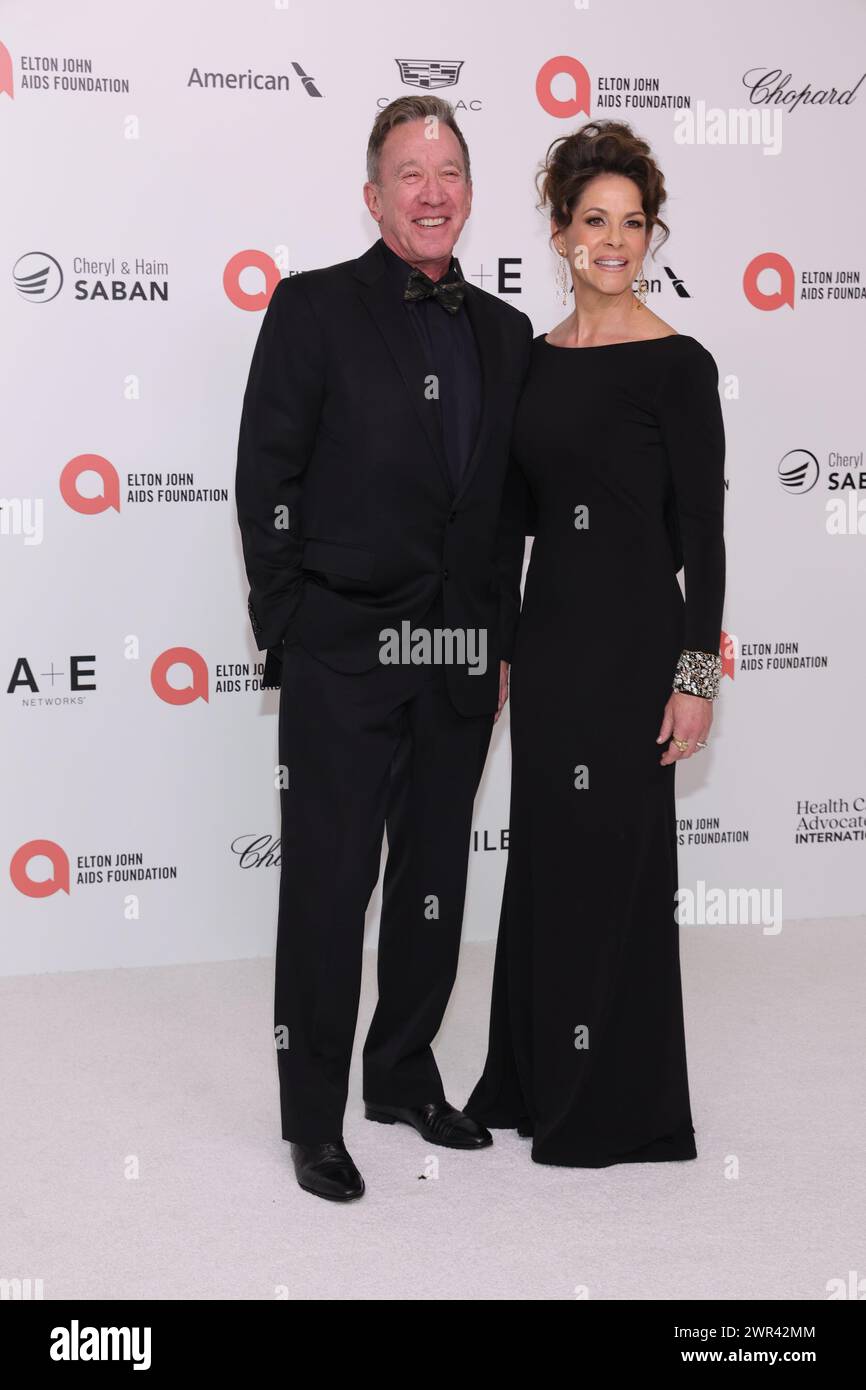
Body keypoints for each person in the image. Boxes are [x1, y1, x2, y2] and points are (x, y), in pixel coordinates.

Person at [234, 96, 533, 1200]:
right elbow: (266, 475)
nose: (431, 189)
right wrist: (293, 623)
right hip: (342, 647)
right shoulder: (311, 308)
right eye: (408, 171)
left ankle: (401, 1071)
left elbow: (503, 510)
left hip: (456, 651)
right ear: (372, 196)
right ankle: (312, 1116)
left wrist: (495, 642)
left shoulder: (505, 334)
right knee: (325, 886)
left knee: (431, 878)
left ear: (468, 190)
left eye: (449, 168)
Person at [465, 120, 726, 1167]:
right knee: (547, 863)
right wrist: (496, 645)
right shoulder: (530, 363)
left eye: (630, 223)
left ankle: (616, 1103)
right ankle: (530, 1077)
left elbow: (702, 538)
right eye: (591, 221)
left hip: (633, 649)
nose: (611, 240)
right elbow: (509, 522)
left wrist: (694, 673)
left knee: (616, 868)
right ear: (560, 232)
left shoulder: (678, 364)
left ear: (649, 236)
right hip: (551, 641)